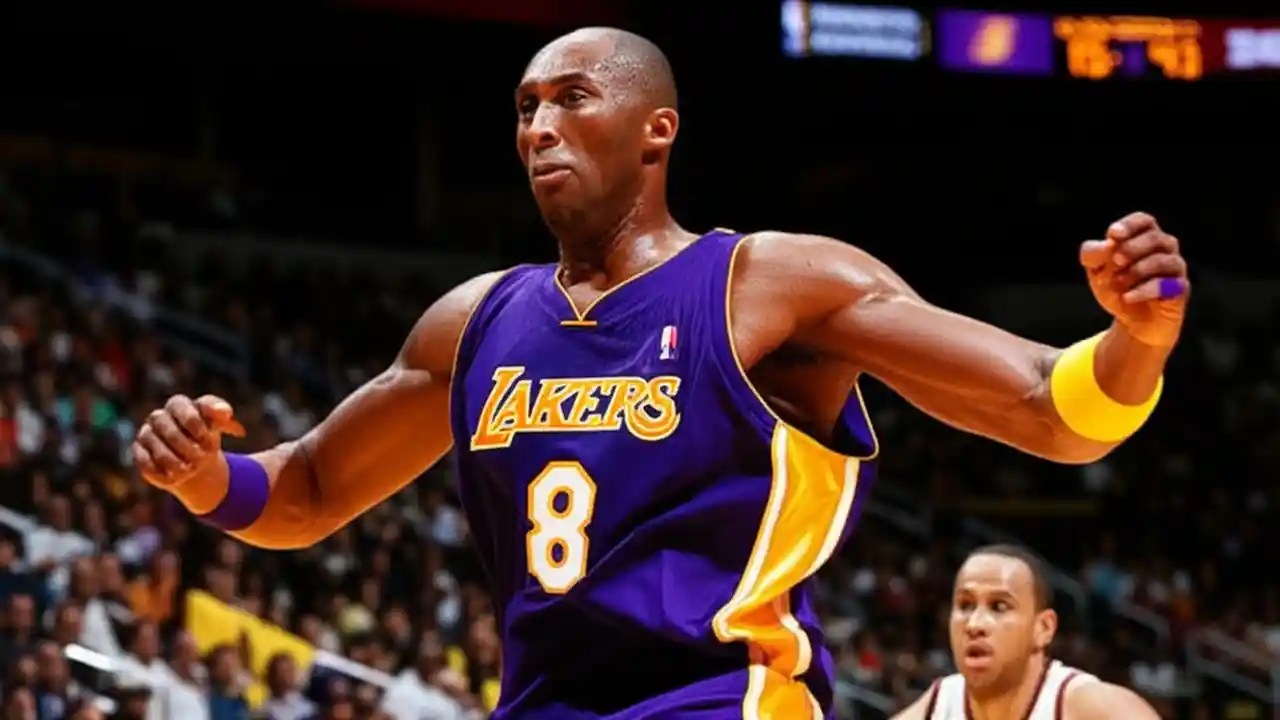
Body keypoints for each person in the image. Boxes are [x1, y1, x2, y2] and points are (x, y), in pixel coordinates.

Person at [131, 26, 1190, 720]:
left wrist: (1133, 342)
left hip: (720, 702)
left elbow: (1049, 408)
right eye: (523, 106)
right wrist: (208, 481)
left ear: (655, 130)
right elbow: (310, 489)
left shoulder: (774, 285)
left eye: (570, 98)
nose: (538, 125)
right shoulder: (473, 321)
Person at [892, 546, 1160, 720]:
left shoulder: (1091, 707)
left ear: (1043, 628)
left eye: (999, 606)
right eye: (965, 605)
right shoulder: (938, 706)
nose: (975, 624)